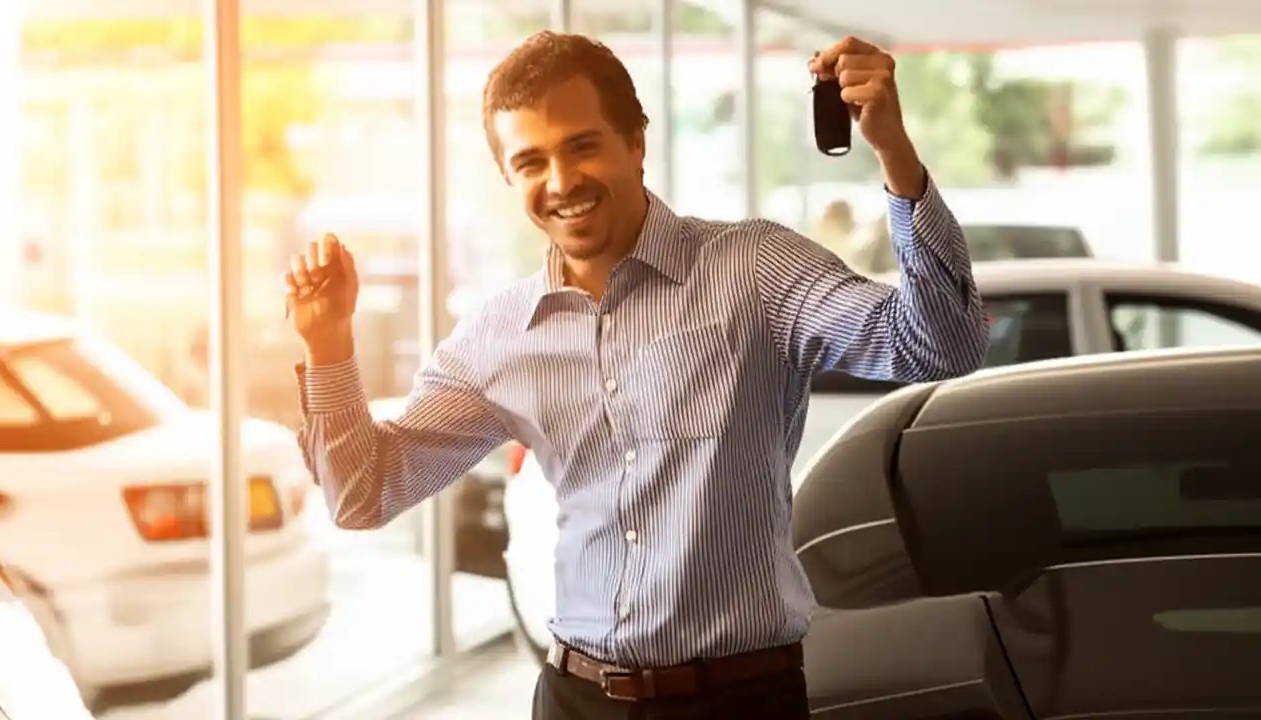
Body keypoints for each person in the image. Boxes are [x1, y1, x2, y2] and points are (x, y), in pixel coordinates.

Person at [284, 31, 989, 720]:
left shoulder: (753, 270)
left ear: (635, 142)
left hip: (739, 701)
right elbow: (363, 495)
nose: (560, 182)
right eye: (530, 161)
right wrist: (328, 348)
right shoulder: (497, 337)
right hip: (575, 699)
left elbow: (938, 347)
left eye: (581, 146)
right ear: (508, 175)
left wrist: (894, 153)